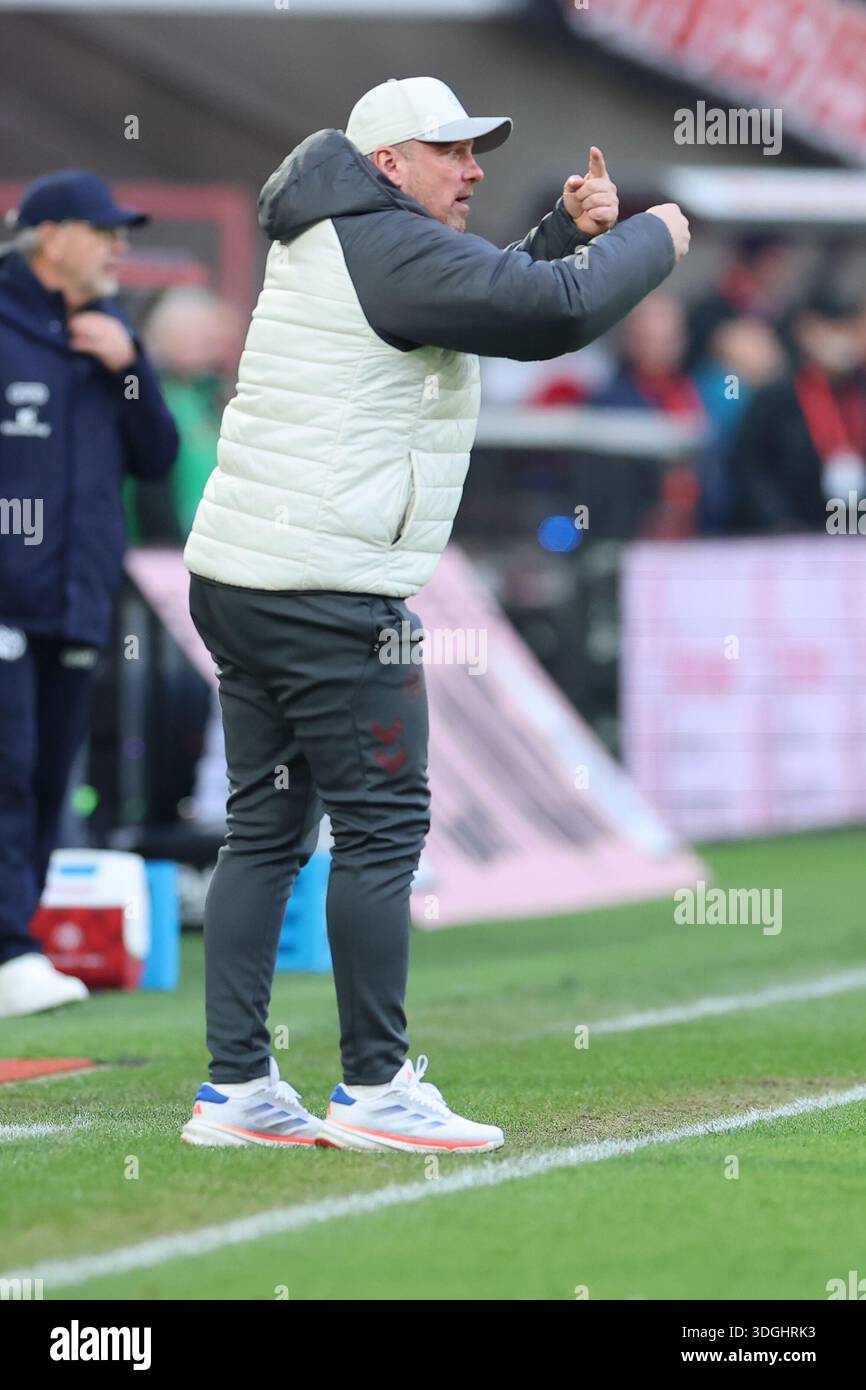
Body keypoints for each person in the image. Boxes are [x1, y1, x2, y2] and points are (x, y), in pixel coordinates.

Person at [181, 76, 689, 1154]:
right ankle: (372, 1088)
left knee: (264, 832)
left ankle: (235, 1087)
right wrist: (651, 239)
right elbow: (545, 312)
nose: (472, 168)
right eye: (447, 151)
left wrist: (558, 231)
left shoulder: (350, 235)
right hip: (324, 587)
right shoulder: (386, 246)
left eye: (475, 151)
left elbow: (494, 290)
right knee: (380, 828)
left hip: (246, 576)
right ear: (384, 166)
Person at [0, 170, 179, 1019]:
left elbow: (157, 455)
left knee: (42, 775)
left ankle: (14, 941)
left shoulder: (108, 339)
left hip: (74, 600)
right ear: (50, 237)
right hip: (6, 598)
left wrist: (133, 361)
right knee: (4, 771)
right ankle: (9, 949)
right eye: (103, 231)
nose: (119, 246)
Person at [730, 287, 866, 534]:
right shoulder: (774, 400)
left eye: (849, 328)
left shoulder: (859, 393)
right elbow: (751, 468)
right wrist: (780, 523)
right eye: (833, 328)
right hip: (790, 540)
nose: (843, 339)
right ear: (806, 333)